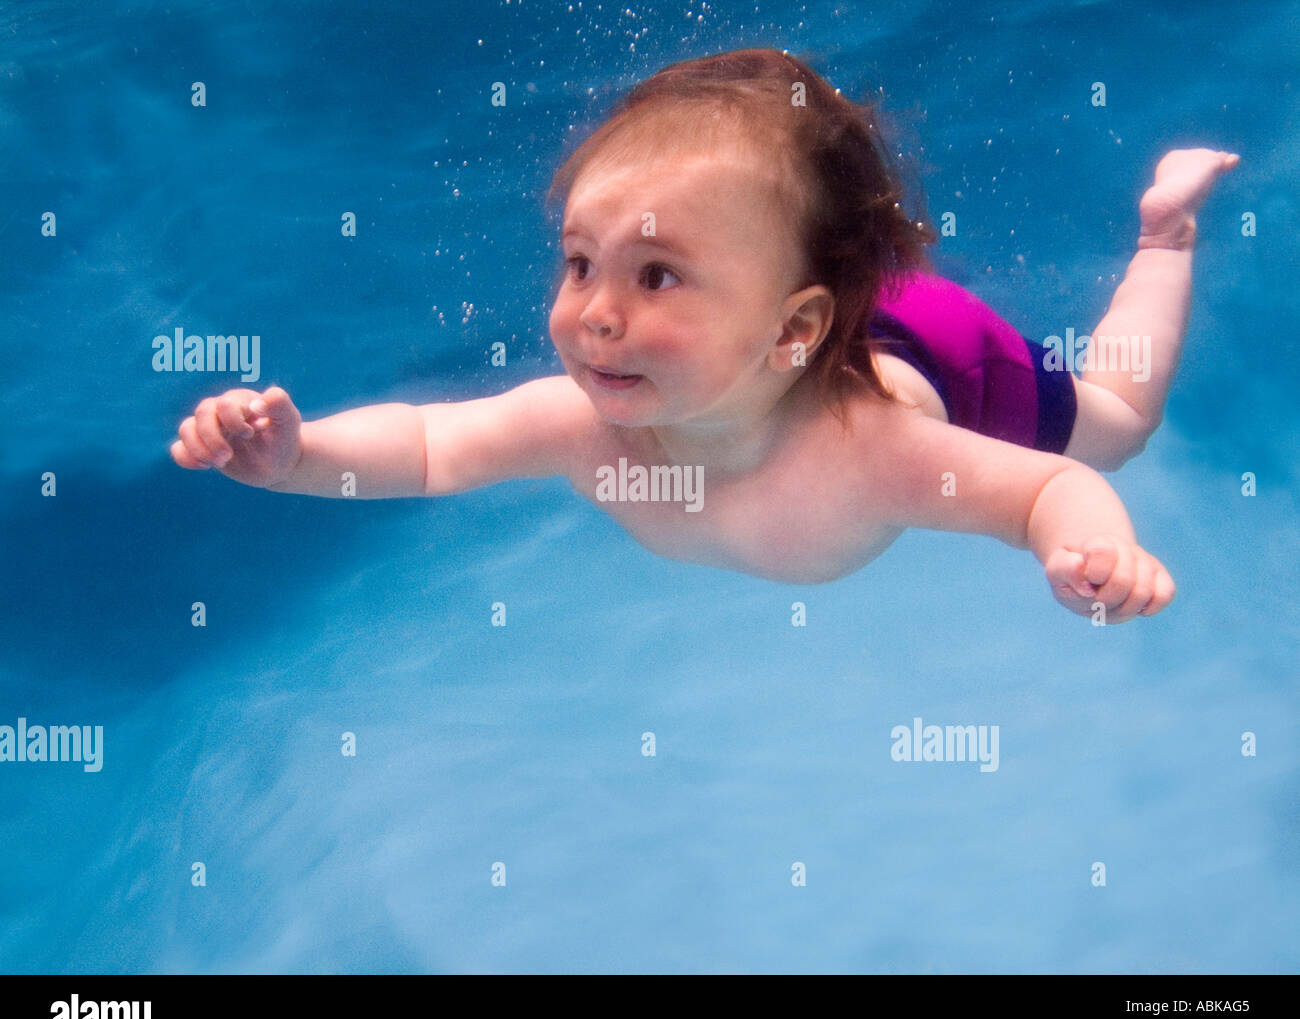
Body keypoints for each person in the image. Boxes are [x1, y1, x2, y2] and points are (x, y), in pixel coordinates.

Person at [169, 49, 1238, 622]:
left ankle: (1165, 237)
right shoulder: (584, 426)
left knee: (1114, 424)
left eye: (655, 275)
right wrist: (295, 459)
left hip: (932, 351)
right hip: (808, 314)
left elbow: (1046, 491)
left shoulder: (877, 456)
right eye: (580, 261)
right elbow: (428, 445)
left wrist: (1083, 548)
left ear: (791, 327)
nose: (594, 310)